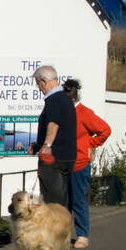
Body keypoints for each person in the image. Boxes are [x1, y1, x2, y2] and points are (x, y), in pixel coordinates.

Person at [63, 78, 111, 248]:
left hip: (79, 162)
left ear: (72, 98)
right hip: (62, 163)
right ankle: (64, 234)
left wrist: (90, 143)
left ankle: (82, 234)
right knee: (63, 201)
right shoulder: (62, 113)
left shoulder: (85, 113)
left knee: (78, 199)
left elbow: (105, 130)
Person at [29, 65, 77, 208]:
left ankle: (53, 230)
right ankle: (63, 229)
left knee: (52, 204)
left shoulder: (54, 99)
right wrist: (37, 145)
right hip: (68, 156)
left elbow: (53, 124)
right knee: (63, 202)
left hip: (54, 160)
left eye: (38, 84)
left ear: (44, 81)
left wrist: (46, 146)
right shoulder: (66, 99)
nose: (39, 88)